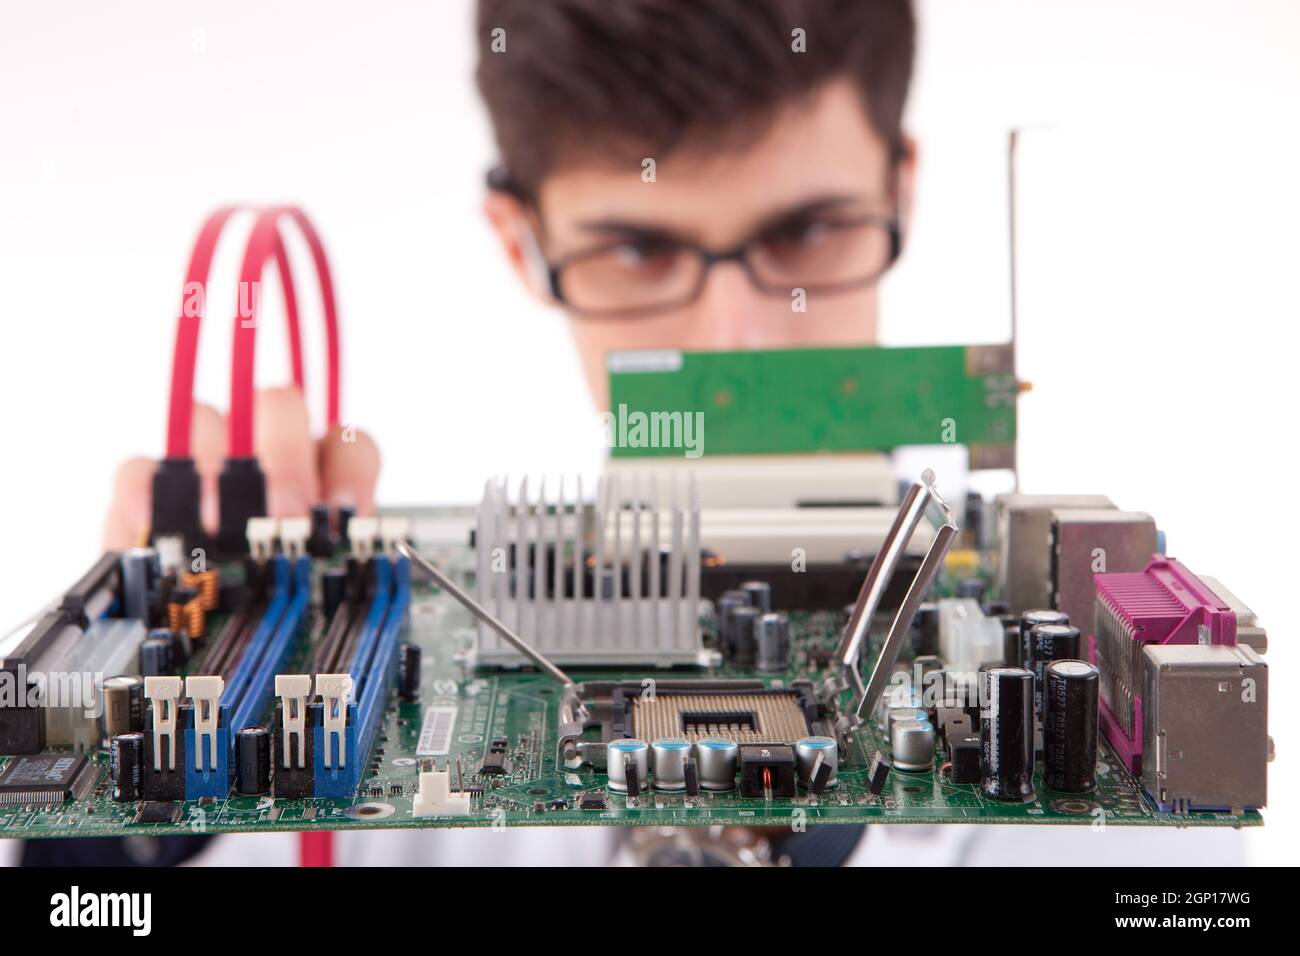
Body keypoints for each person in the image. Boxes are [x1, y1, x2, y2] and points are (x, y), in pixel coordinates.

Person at [19, 0, 1243, 867]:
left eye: (807, 233)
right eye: (641, 249)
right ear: (522, 244)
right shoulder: (384, 729)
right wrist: (141, 818)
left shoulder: (1126, 819)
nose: (740, 345)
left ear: (901, 189)